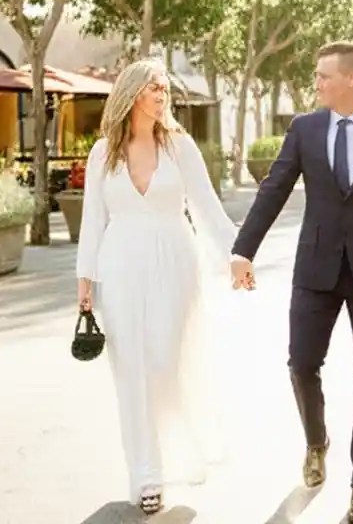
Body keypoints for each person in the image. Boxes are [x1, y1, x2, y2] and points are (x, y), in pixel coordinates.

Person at [230, 41, 353, 524]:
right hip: (316, 268)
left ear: (352, 80)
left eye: (323, 76)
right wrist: (243, 249)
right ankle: (317, 441)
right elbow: (275, 187)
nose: (315, 83)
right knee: (301, 364)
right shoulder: (305, 128)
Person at [75, 59, 238, 515]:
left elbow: (207, 207)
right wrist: (85, 283)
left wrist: (237, 257)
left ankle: (179, 449)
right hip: (120, 264)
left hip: (175, 260)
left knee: (165, 360)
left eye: (165, 87)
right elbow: (92, 221)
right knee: (131, 370)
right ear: (131, 94)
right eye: (154, 87)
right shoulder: (102, 152)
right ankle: (146, 472)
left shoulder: (179, 146)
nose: (162, 93)